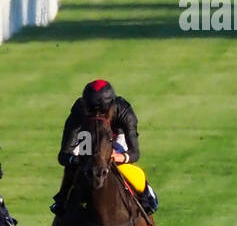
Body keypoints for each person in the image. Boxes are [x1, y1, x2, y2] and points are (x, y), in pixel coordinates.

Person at [51, 79, 158, 216]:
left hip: (116, 135)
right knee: (75, 167)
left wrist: (121, 156)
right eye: (91, 112)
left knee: (121, 166)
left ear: (110, 107)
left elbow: (135, 152)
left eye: (102, 112)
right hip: (88, 136)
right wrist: (78, 160)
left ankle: (145, 196)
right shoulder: (79, 110)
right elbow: (64, 155)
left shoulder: (124, 111)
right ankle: (63, 197)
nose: (96, 115)